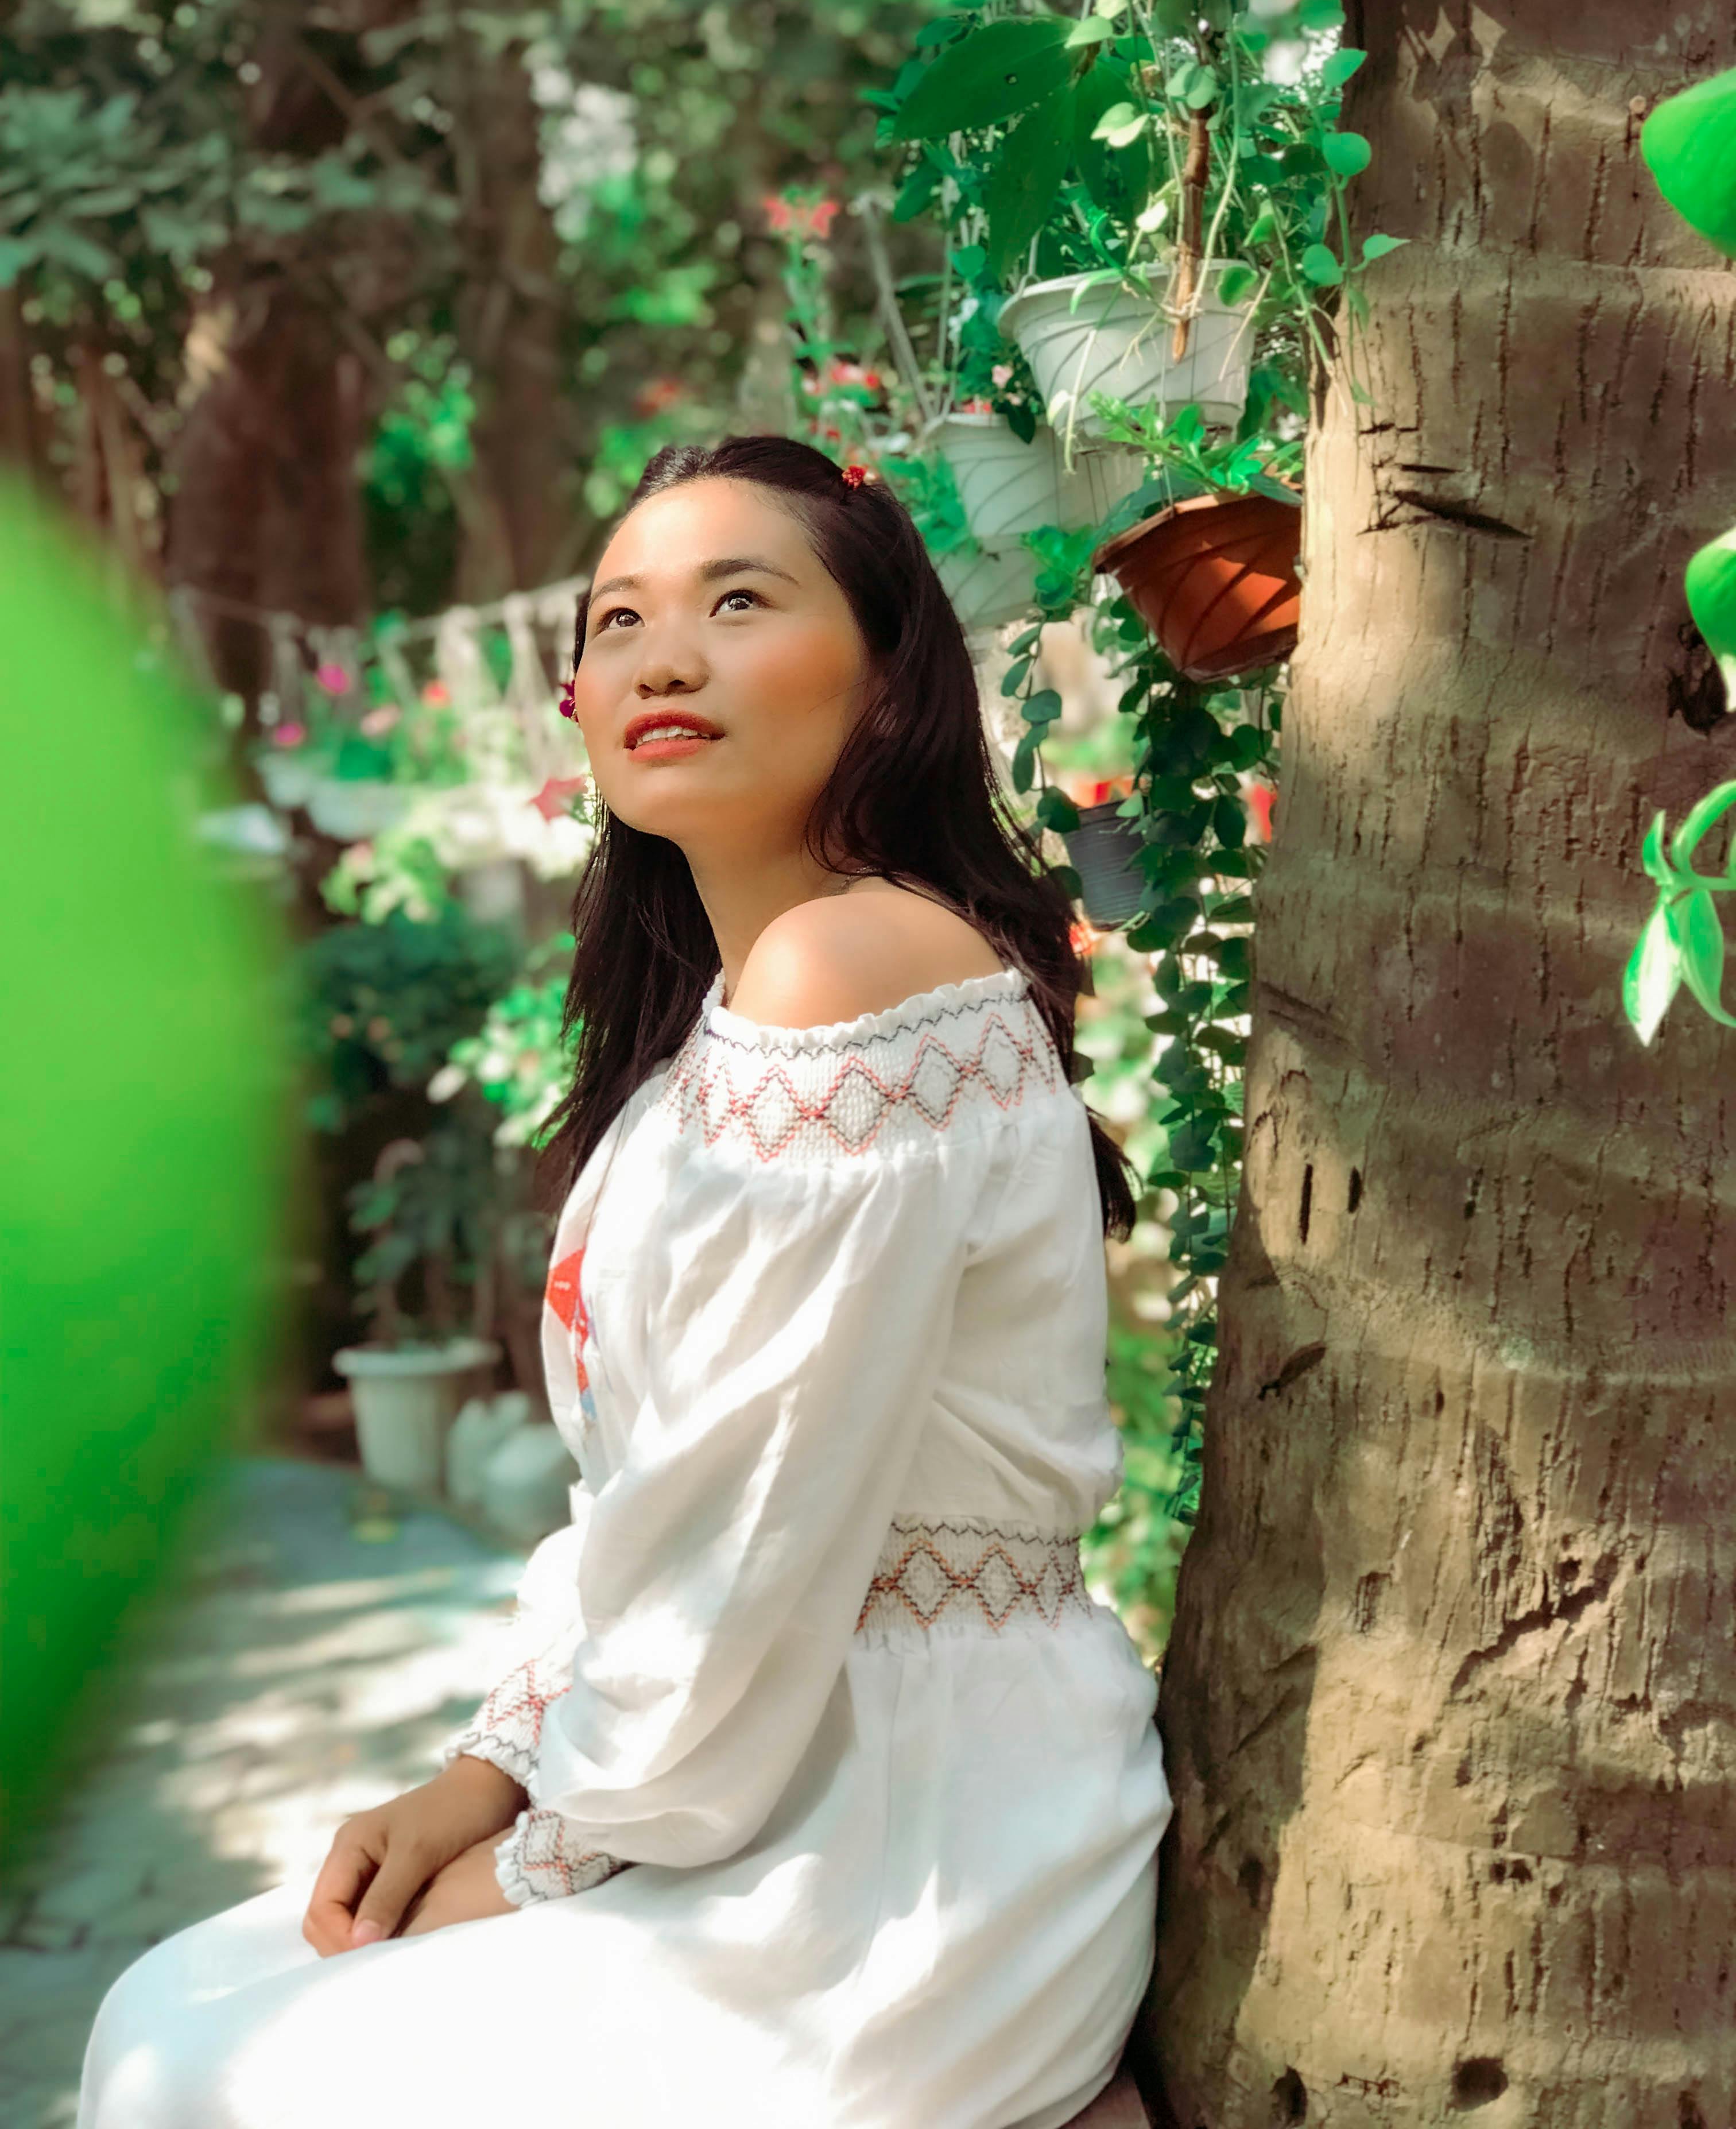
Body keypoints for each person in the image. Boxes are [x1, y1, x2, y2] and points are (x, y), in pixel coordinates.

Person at [79, 435, 1171, 2129]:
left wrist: (544, 1852)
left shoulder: (846, 972)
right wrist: (484, 1775)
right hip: (764, 1787)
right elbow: (650, 1512)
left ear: (889, 673)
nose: (662, 659)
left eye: (739, 603)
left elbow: (742, 1547)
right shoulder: (708, 1054)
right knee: (177, 2013)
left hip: (898, 1850)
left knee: (202, 2067)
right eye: (618, 621)